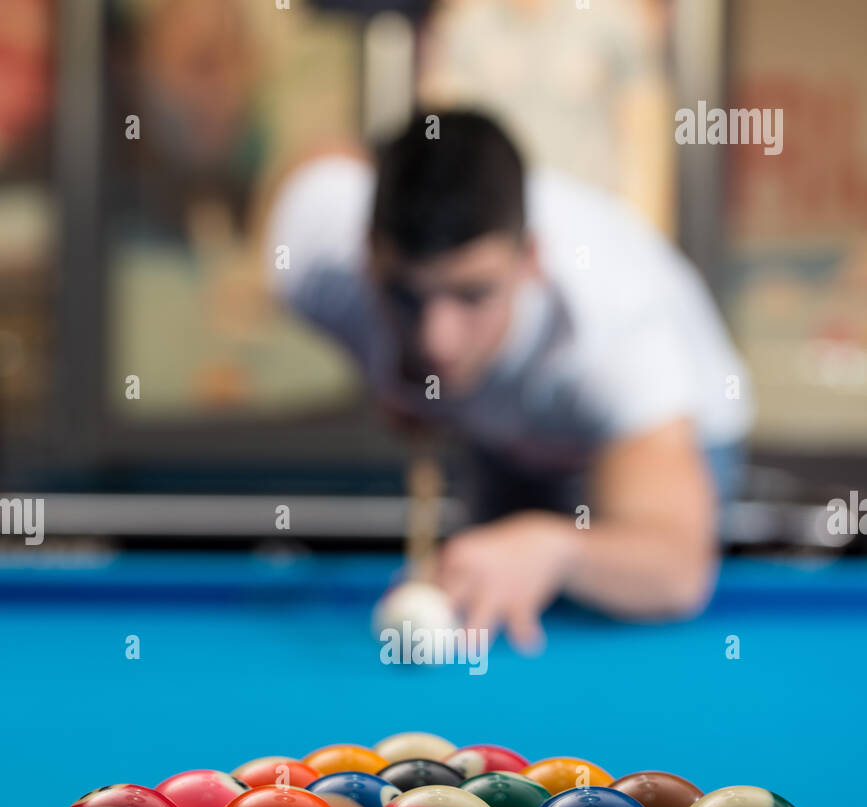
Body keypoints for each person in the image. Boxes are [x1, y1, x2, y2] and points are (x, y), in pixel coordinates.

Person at [265, 109, 752, 649]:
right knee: (488, 584)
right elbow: (312, 163)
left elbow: (677, 570)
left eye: (473, 293)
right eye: (405, 294)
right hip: (500, 432)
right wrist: (385, 371)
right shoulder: (317, 260)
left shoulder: (613, 327)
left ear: (531, 261)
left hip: (661, 433)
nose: (437, 341)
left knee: (588, 592)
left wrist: (559, 549)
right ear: (368, 255)